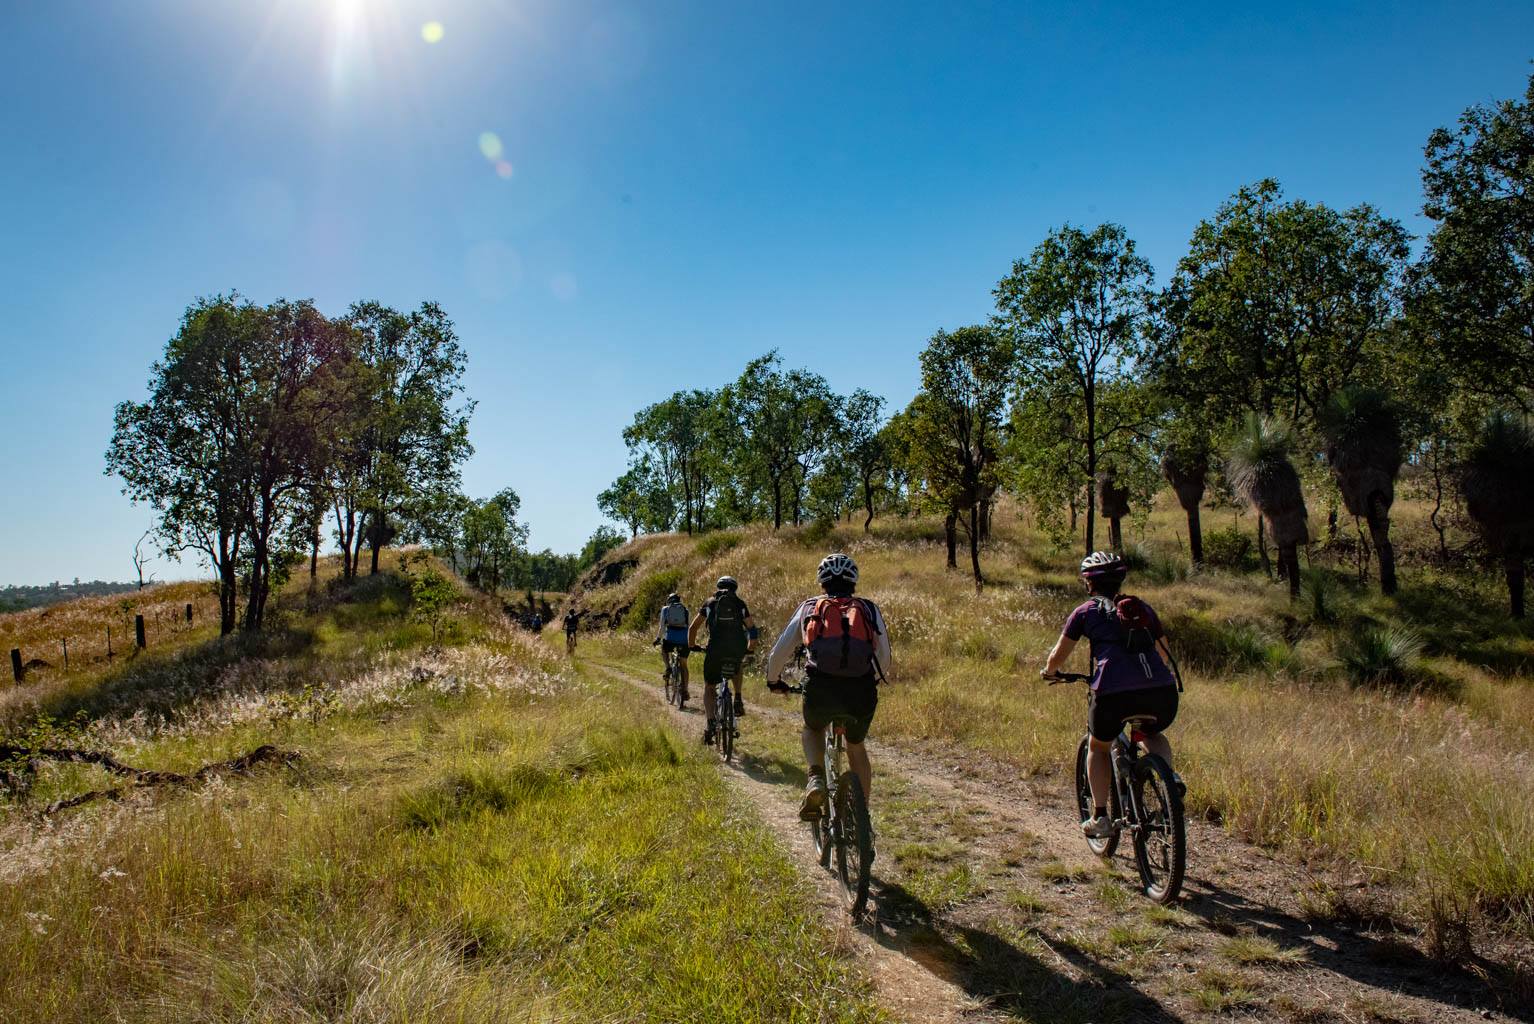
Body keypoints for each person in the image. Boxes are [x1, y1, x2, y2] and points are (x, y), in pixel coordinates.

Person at [1041, 550, 1181, 839]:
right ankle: (1170, 781)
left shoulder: (1085, 612)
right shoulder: (1141, 608)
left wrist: (1050, 672)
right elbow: (1163, 648)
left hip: (1112, 695)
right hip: (1162, 692)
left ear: (1088, 583)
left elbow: (1059, 655)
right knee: (1151, 735)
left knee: (1098, 746)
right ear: (1120, 581)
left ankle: (1101, 816)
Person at [767, 553, 891, 822]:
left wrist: (773, 680)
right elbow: (885, 657)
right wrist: (873, 680)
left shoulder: (810, 607)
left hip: (820, 689)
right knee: (856, 746)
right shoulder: (868, 608)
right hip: (861, 691)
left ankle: (815, 779)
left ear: (822, 581)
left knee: (812, 729)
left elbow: (780, 651)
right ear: (853, 580)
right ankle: (861, 816)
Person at [687, 576, 757, 746]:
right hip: (736, 647)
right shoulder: (739, 604)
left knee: (710, 686)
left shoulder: (710, 603)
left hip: (715, 648)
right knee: (737, 665)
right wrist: (749, 649)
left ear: (718, 587)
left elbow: (693, 627)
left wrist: (692, 645)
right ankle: (738, 697)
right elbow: (752, 630)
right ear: (735, 588)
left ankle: (710, 722)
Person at [656, 592, 691, 697]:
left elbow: (662, 626)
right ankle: (685, 690)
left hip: (670, 638)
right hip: (684, 640)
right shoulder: (685, 610)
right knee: (684, 665)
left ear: (669, 601)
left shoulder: (665, 609)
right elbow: (689, 627)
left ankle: (668, 667)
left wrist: (658, 638)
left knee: (664, 648)